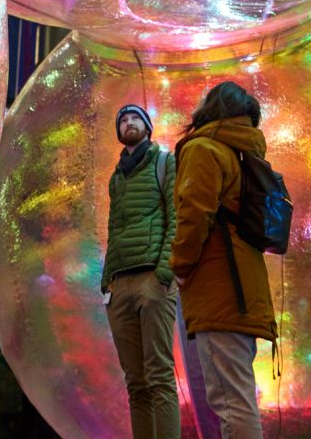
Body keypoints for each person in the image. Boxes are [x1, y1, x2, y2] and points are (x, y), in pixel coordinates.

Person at [172, 81, 275, 439]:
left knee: (231, 402)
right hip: (243, 290)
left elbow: (194, 215)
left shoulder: (204, 149)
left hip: (218, 290)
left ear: (211, 108)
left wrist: (180, 267)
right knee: (238, 397)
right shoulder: (244, 154)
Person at [101, 104, 181, 439]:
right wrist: (107, 283)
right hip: (120, 285)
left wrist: (164, 272)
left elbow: (176, 215)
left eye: (135, 118)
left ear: (147, 128)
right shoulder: (117, 178)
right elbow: (113, 227)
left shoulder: (164, 162)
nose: (129, 122)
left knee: (159, 376)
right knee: (136, 383)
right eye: (123, 120)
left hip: (152, 279)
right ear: (119, 132)